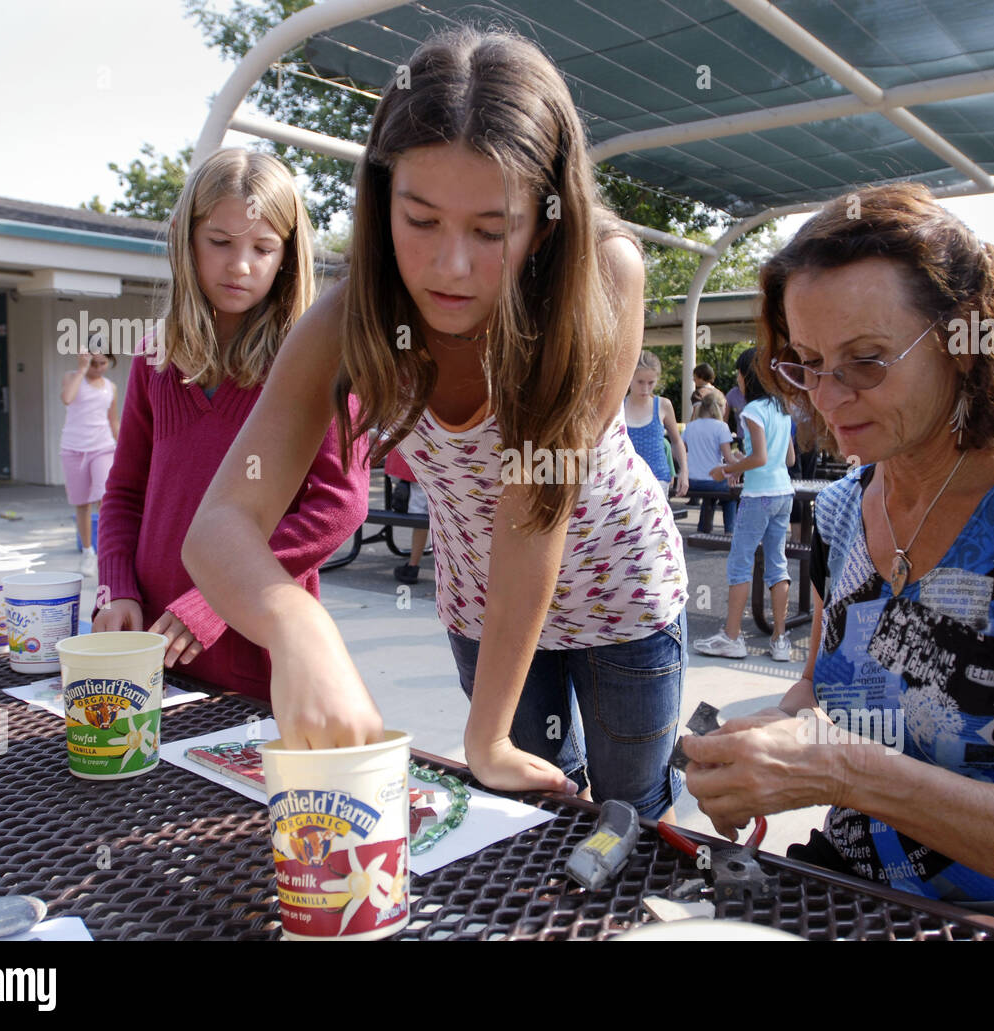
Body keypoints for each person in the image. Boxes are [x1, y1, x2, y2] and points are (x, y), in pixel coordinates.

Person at [183, 28, 688, 818]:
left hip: (619, 590)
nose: (452, 266)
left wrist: (483, 735)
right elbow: (219, 521)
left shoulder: (604, 276)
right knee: (525, 820)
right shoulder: (349, 318)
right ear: (382, 198)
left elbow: (533, 509)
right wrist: (294, 622)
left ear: (548, 222)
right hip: (484, 606)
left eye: (493, 230)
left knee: (630, 817)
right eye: (420, 220)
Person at [682, 183, 994, 940]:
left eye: (866, 362)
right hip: (862, 897)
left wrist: (846, 770)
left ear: (964, 341)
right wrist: (761, 748)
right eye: (804, 363)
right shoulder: (845, 507)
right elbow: (822, 686)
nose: (826, 395)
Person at [93, 148, 369, 700]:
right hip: (150, 644)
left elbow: (339, 504)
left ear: (288, 257)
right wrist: (114, 587)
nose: (240, 265)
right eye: (219, 242)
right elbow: (124, 493)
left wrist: (218, 598)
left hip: (256, 652)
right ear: (184, 238)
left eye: (263, 248)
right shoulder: (153, 360)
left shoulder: (321, 363)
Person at [693, 347, 796, 662]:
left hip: (758, 498)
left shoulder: (752, 411)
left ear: (747, 377)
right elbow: (787, 458)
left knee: (740, 563)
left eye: (739, 374)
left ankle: (732, 637)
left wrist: (726, 468)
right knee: (777, 565)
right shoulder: (782, 409)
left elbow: (760, 457)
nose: (737, 380)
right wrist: (740, 462)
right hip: (784, 494)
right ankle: (780, 640)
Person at [59, 341, 118, 577]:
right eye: (93, 363)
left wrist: (123, 447)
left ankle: (107, 552)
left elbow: (113, 420)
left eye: (103, 363)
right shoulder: (72, 377)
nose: (98, 368)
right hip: (73, 448)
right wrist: (82, 370)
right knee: (82, 504)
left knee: (105, 499)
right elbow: (67, 398)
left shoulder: (111, 387)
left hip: (103, 447)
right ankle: (87, 552)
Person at [625, 350, 688, 498]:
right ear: (629, 378)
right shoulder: (618, 407)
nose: (645, 388)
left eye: (651, 382)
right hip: (626, 481)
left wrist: (684, 471)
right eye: (640, 382)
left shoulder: (663, 405)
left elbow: (677, 441)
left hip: (658, 479)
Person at [682, 393, 738, 532]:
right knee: (730, 496)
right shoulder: (721, 427)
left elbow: (680, 450)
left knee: (711, 496)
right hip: (713, 480)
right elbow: (729, 458)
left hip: (692, 480)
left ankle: (704, 528)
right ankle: (730, 530)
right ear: (719, 407)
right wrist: (742, 461)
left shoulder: (691, 426)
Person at [383, 442, 429, 584]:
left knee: (420, 515)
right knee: (421, 515)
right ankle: (412, 566)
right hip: (426, 460)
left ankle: (412, 566)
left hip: (408, 458)